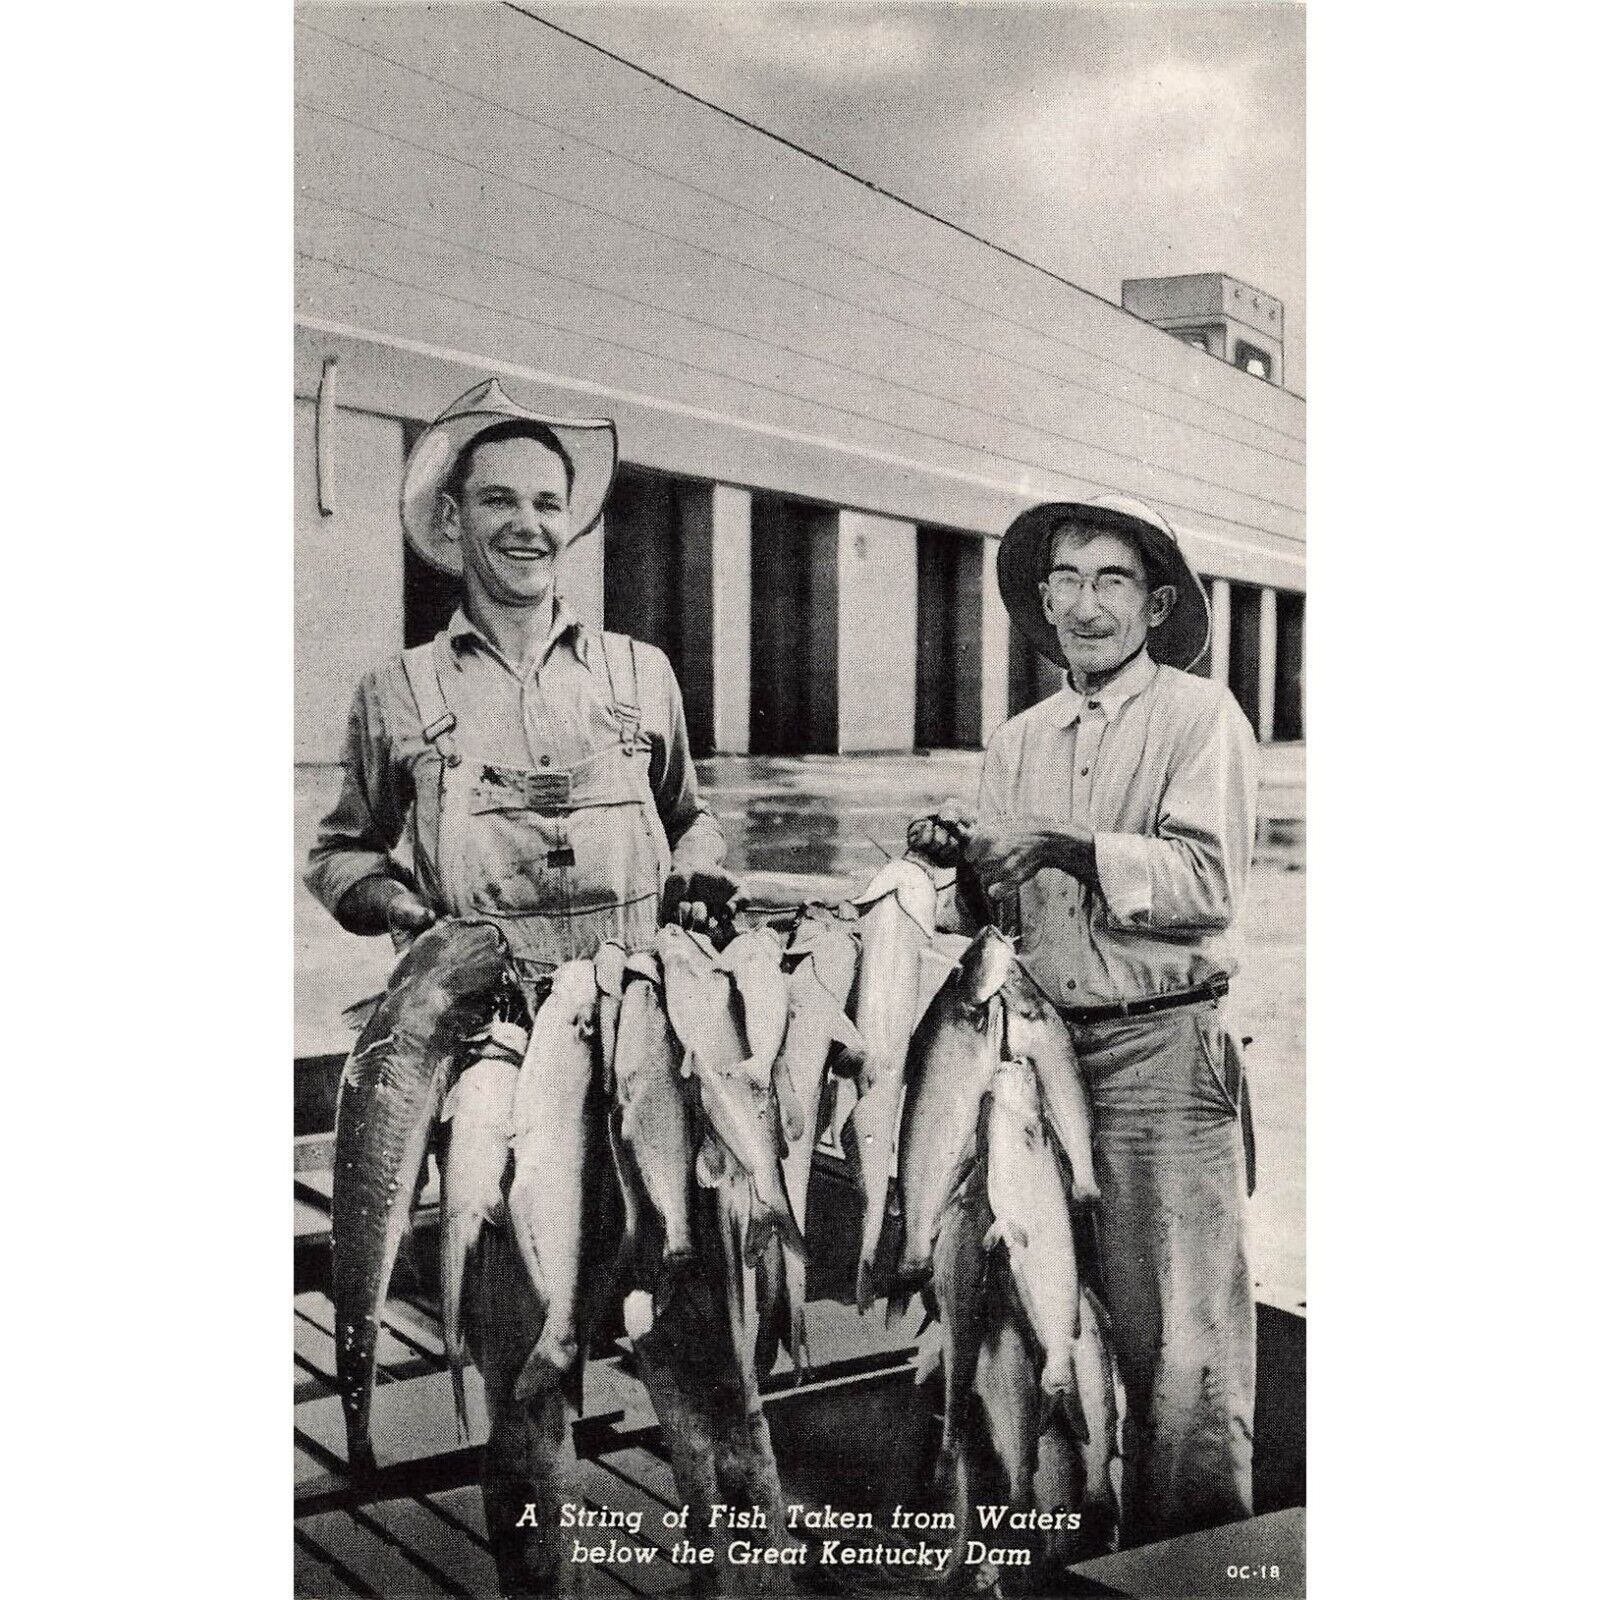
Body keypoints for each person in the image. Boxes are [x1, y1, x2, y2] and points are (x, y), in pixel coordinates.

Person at [305, 379, 745, 1595]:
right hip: (494, 1061)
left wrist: (702, 881)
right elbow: (339, 850)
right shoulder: (395, 692)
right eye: (497, 499)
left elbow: (694, 824)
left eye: (547, 502)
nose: (526, 523)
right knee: (522, 1386)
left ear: (573, 522)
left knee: (706, 1370)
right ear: (452, 520)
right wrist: (397, 907)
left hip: (648, 1050)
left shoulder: (643, 672)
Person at [910, 494, 1259, 1547]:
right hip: (1032, 1061)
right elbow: (997, 914)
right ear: (1042, 601)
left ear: (1154, 605)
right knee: (1035, 1320)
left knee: (1181, 1351)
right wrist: (959, 866)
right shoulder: (1017, 740)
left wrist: (1062, 844)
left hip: (1164, 1058)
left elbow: (1206, 882)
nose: (1085, 603)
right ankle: (1059, 1558)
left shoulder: (1203, 718)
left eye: (1112, 581)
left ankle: (1197, 1565)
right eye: (1065, 579)